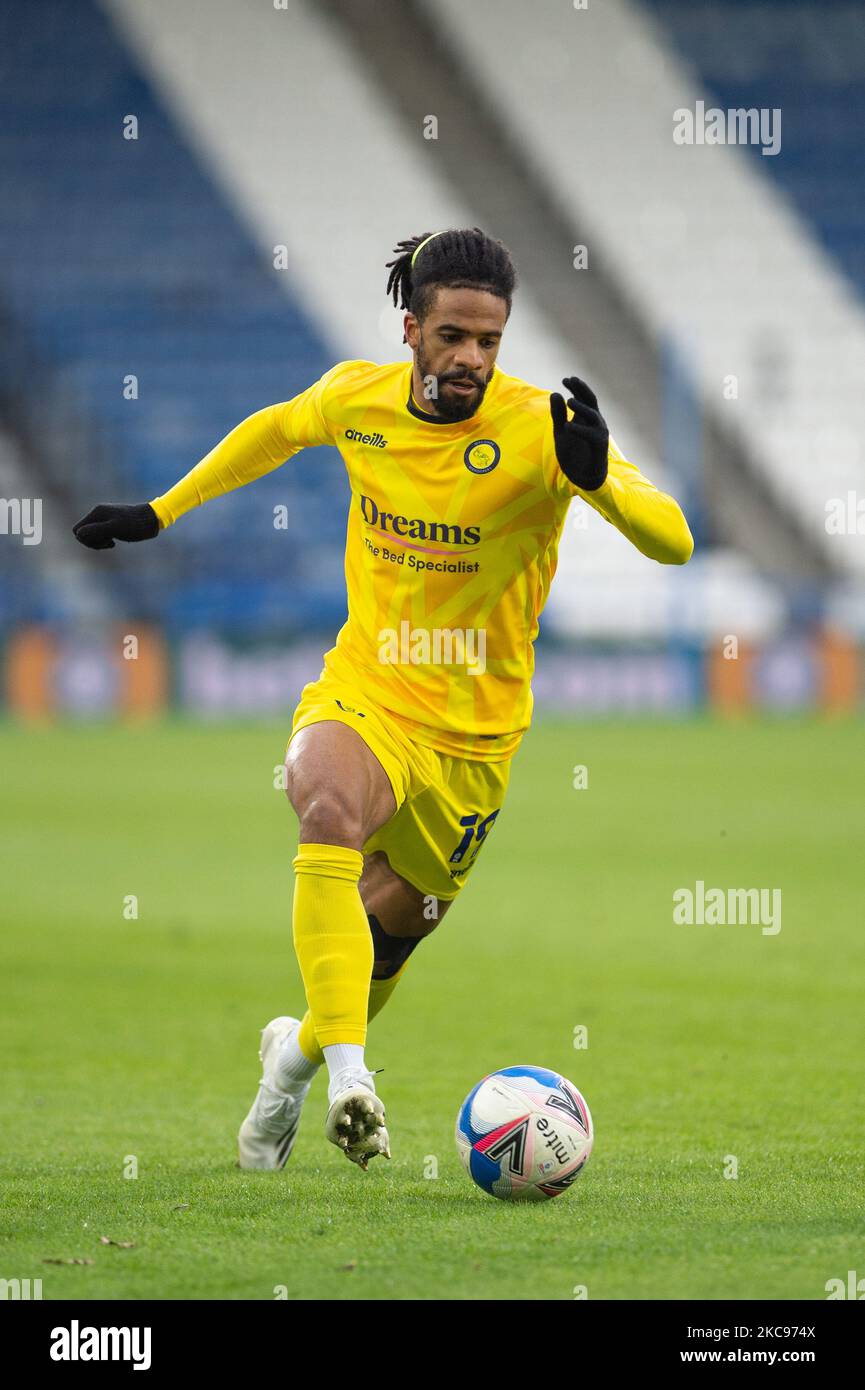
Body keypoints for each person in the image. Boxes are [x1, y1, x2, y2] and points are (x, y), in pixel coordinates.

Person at [74, 227, 693, 1172]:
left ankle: (294, 1059)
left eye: (489, 341)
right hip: (367, 687)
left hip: (475, 741)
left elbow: (674, 542)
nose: (472, 359)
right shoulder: (357, 399)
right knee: (324, 805)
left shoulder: (541, 431)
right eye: (453, 336)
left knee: (385, 946)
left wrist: (599, 474)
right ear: (412, 328)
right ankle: (353, 1081)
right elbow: (274, 430)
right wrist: (159, 511)